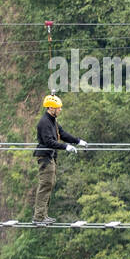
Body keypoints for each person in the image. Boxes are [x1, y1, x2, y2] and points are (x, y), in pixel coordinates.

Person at [32, 94, 85, 224]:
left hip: (50, 157)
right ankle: (39, 217)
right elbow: (49, 141)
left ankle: (43, 215)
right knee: (45, 185)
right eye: (58, 108)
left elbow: (63, 134)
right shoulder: (44, 122)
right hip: (45, 158)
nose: (60, 110)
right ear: (51, 108)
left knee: (49, 185)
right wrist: (65, 147)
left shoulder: (53, 121)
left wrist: (77, 141)